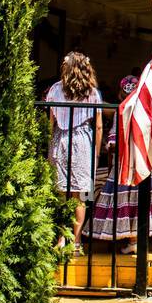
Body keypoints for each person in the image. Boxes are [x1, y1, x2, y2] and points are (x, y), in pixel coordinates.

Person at [86, 75, 152, 254]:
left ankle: (132, 240)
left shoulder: (124, 109)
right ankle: (134, 240)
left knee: (128, 199)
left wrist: (112, 145)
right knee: (137, 199)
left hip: (126, 165)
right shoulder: (147, 110)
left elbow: (114, 137)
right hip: (140, 163)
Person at [45, 52, 103, 254]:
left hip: (60, 140)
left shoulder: (55, 90)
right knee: (80, 196)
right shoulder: (93, 93)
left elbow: (50, 123)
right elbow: (98, 126)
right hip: (83, 142)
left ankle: (62, 238)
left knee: (62, 194)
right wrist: (96, 153)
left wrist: (47, 148)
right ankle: (76, 241)